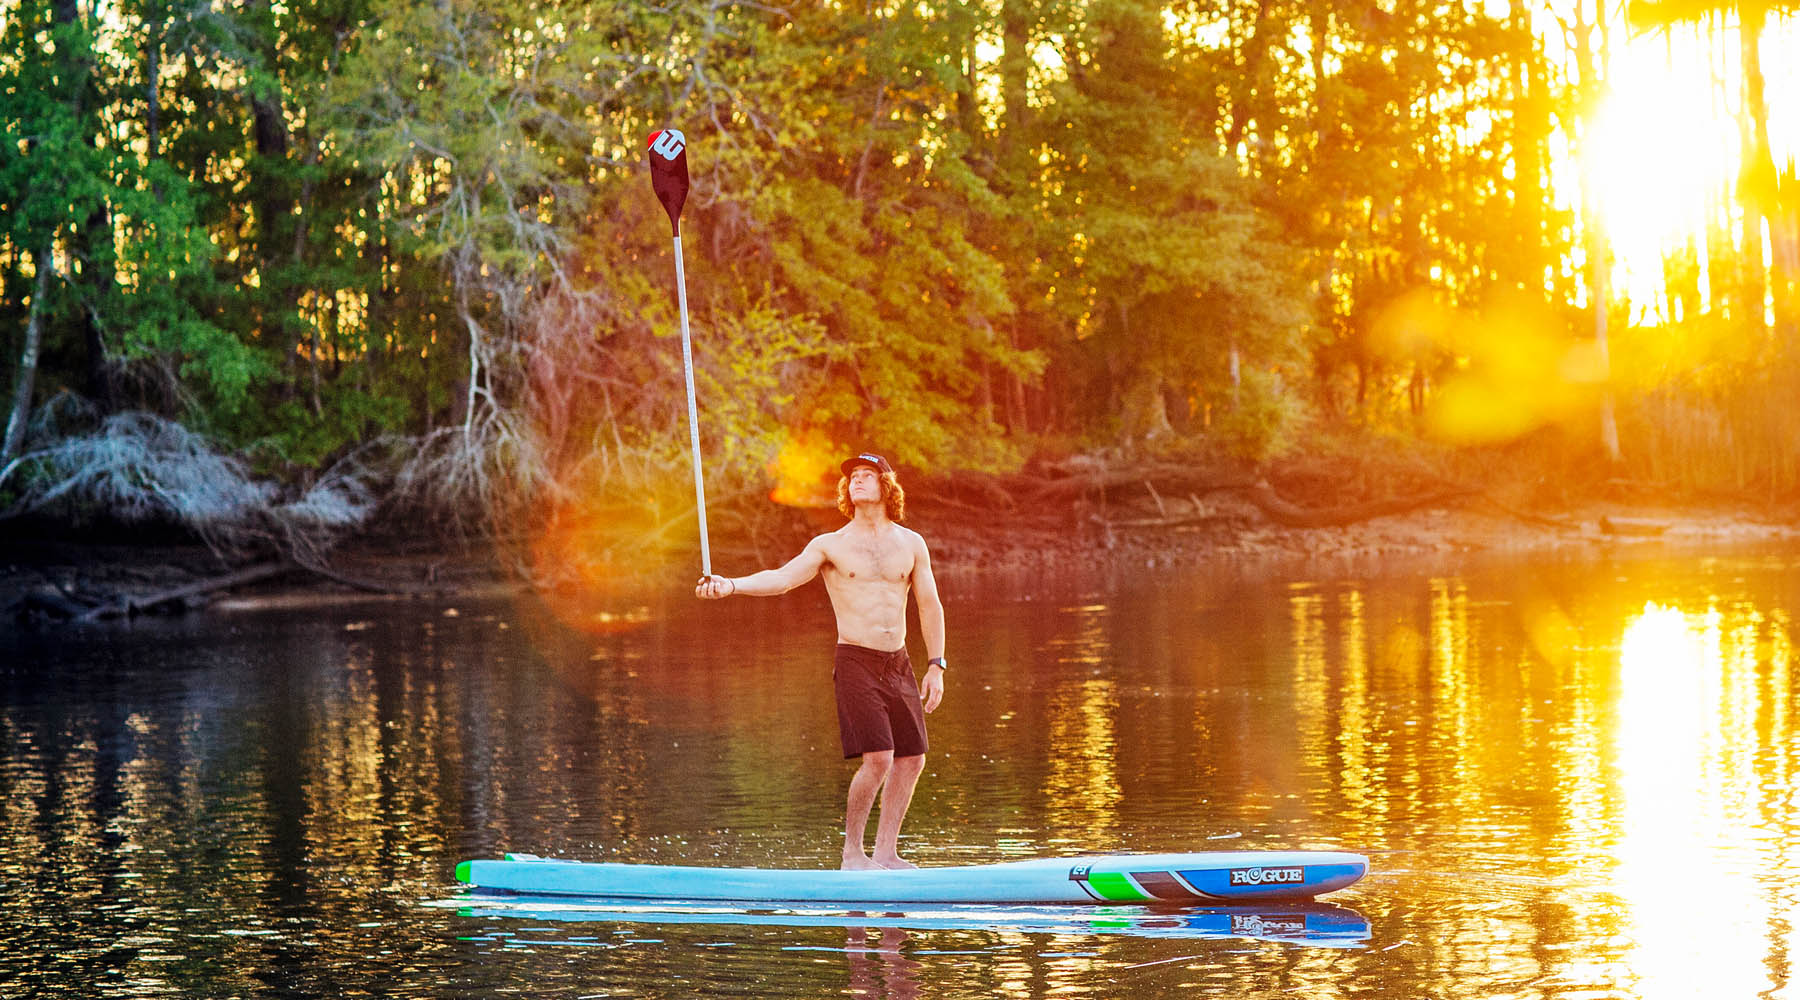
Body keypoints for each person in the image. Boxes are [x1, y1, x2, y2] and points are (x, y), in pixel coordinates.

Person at [695, 452, 947, 870]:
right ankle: (853, 854)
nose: (857, 481)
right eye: (853, 477)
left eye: (867, 475)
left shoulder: (911, 543)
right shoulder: (830, 545)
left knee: (913, 758)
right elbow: (781, 579)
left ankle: (886, 853)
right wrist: (730, 585)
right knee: (880, 757)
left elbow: (930, 605)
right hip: (856, 662)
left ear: (886, 485)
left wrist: (936, 664)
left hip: (898, 662)